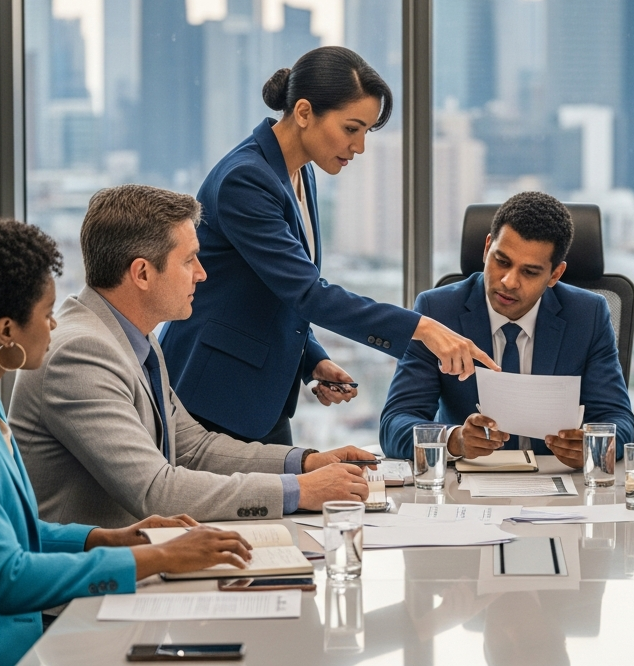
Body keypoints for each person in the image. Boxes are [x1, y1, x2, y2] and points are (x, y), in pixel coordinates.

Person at [0, 219, 252, 666]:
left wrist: (111, 539)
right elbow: (6, 577)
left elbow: (13, 531)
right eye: (46, 313)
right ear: (6, 332)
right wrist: (157, 558)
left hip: (8, 638)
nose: (54, 324)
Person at [161, 46, 497, 444]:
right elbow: (306, 292)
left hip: (257, 394)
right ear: (303, 113)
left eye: (366, 132)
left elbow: (276, 288)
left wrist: (312, 358)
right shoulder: (246, 180)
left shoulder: (300, 172)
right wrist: (422, 328)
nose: (359, 147)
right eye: (351, 129)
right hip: (213, 393)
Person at [10, 185, 374, 529]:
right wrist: (300, 491)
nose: (201, 274)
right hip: (83, 584)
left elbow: (193, 449)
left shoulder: (135, 339)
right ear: (142, 273)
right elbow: (157, 491)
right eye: (189, 260)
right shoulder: (80, 354)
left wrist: (306, 463)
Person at [380, 192, 634, 465]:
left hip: (556, 487)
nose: (509, 281)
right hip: (466, 487)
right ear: (487, 247)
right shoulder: (437, 311)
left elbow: (619, 420)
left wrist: (590, 446)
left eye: (529, 272)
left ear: (555, 275)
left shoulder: (588, 315)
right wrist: (455, 440)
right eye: (501, 261)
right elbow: (395, 423)